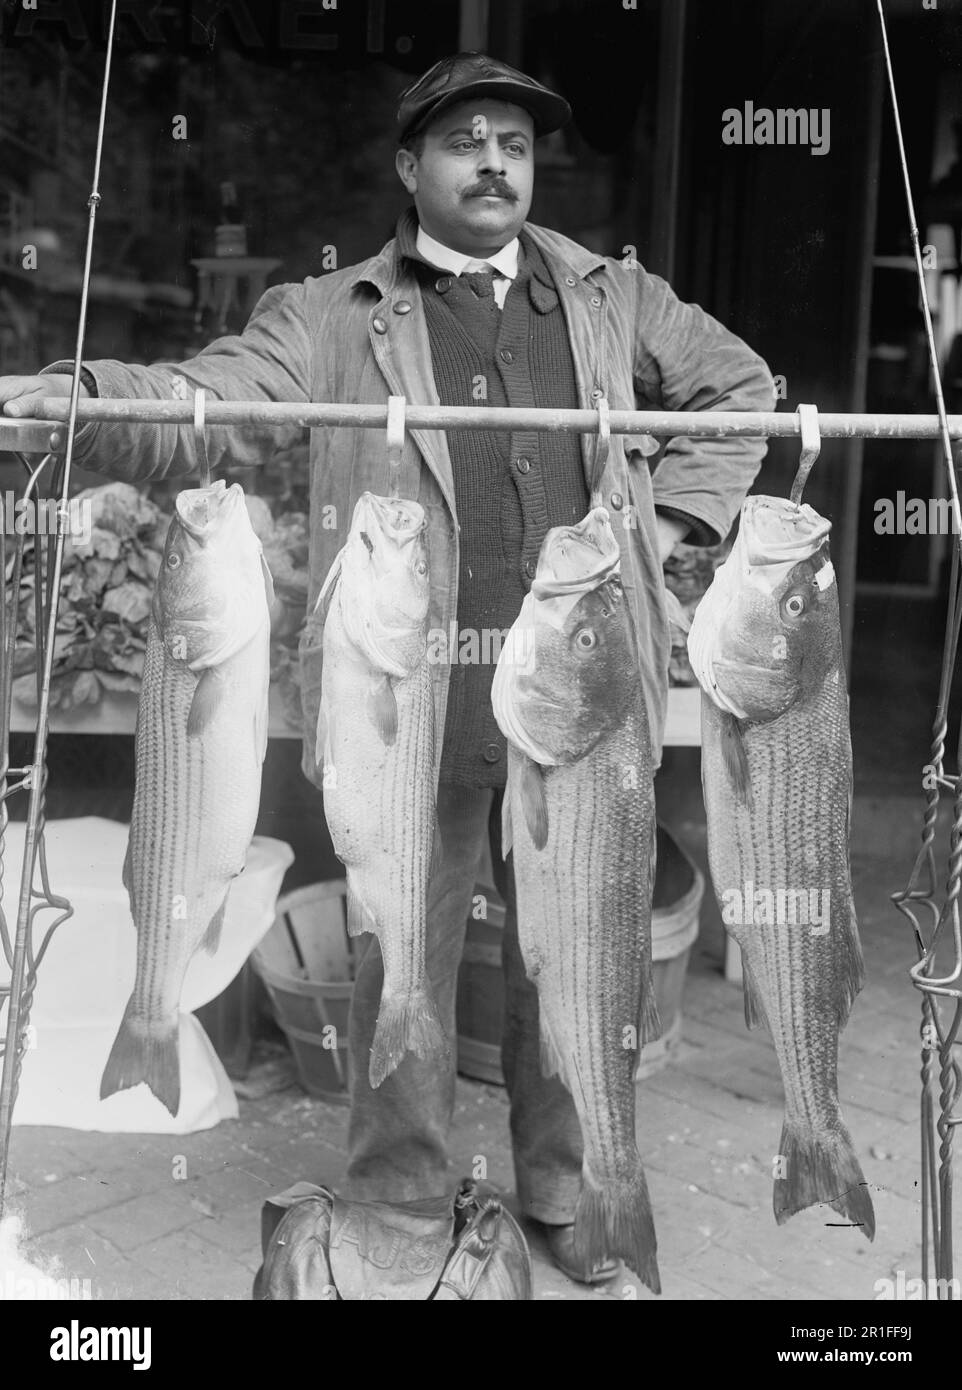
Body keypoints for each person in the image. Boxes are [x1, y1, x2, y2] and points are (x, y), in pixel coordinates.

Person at [0, 52, 774, 1284]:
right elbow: (212, 394)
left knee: (575, 955)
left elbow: (741, 388)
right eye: (465, 141)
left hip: (579, 693)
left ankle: (572, 1194)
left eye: (514, 145)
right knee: (397, 955)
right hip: (405, 691)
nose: (493, 163)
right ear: (409, 169)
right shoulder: (330, 314)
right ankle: (400, 1194)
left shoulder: (607, 293)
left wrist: (672, 523)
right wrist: (80, 400)